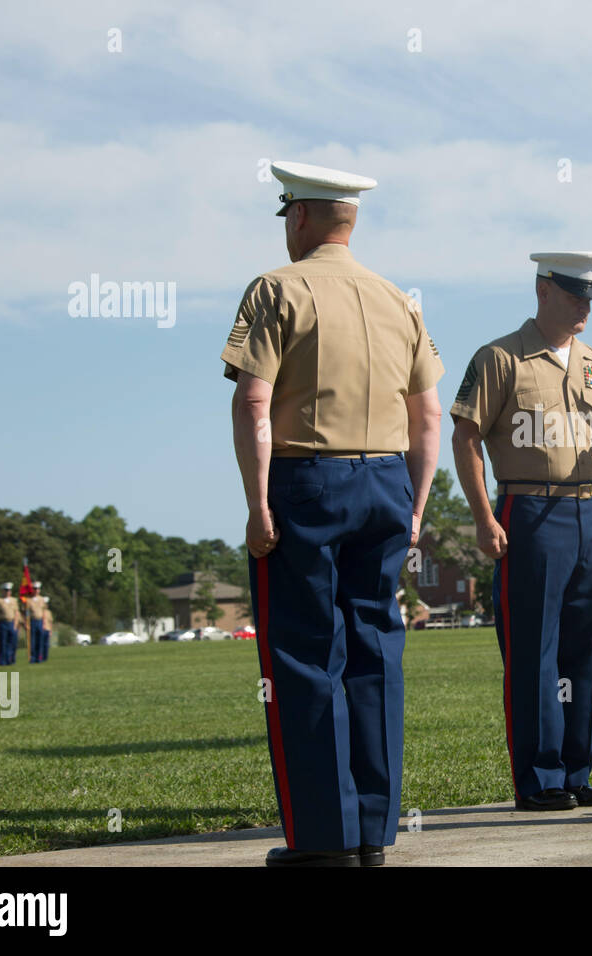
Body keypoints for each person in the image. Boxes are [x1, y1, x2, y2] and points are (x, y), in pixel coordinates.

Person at [223, 160, 443, 867]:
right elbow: (427, 414)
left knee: (304, 657)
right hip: (384, 480)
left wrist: (257, 504)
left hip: (306, 481)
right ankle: (374, 836)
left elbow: (255, 401)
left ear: (300, 217)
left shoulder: (276, 288)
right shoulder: (398, 300)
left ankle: (324, 841)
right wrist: (416, 504)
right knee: (376, 654)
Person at [450, 251, 592, 811]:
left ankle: (576, 770)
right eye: (575, 295)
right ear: (543, 289)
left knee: (586, 646)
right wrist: (482, 516)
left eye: (591, 297)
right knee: (533, 652)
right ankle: (539, 779)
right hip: (530, 512)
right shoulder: (500, 358)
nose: (584, 307)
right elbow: (466, 438)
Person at [0, 583, 19, 667]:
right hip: (3, 622)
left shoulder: (14, 600)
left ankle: (11, 659)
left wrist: (15, 624)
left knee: (12, 643)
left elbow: (16, 613)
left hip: (11, 622)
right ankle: (2, 661)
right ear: (3, 591)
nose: (8, 592)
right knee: (3, 642)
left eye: (9, 590)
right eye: (6, 590)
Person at [27, 583, 47, 663]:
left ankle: (39, 657)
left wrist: (44, 622)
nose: (36, 591)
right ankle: (33, 657)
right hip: (32, 621)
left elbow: (44, 611)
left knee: (40, 640)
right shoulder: (29, 600)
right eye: (35, 589)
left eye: (38, 589)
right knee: (32, 640)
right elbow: (27, 613)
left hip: (40, 621)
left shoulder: (42, 599)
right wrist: (27, 623)